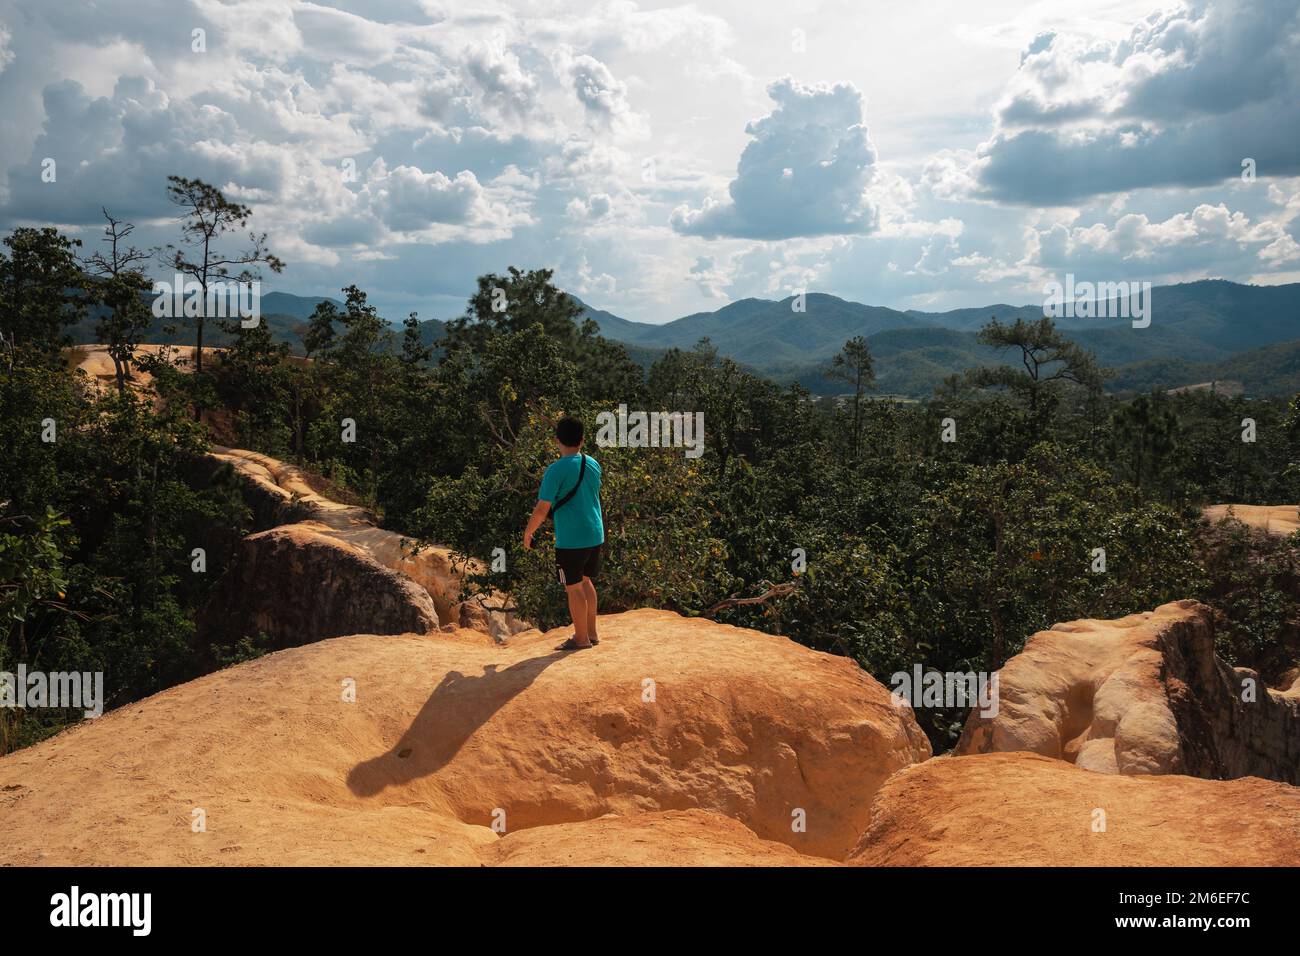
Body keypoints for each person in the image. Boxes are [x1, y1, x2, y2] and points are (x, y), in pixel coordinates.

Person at [523, 415, 605, 650]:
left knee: (573, 586)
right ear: (582, 439)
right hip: (595, 534)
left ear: (557, 440)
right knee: (586, 581)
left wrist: (529, 532)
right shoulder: (592, 463)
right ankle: (591, 633)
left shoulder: (555, 471)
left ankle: (580, 639)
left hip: (571, 539)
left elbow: (542, 508)